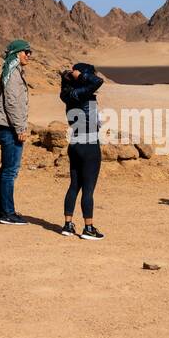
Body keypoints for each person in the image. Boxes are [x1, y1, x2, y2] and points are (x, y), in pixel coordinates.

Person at [59, 63, 105, 240]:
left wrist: (73, 76)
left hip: (75, 143)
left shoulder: (67, 94)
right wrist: (80, 75)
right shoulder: (83, 93)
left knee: (74, 185)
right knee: (88, 190)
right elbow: (98, 81)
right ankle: (89, 228)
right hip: (90, 144)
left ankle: (68, 225)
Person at [0, 38, 33, 225]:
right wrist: (20, 128)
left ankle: (2, 211)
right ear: (17, 54)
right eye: (26, 52)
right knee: (10, 171)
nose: (29, 56)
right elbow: (12, 103)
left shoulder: (14, 72)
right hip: (10, 129)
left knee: (7, 171)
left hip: (9, 127)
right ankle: (6, 213)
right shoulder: (12, 74)